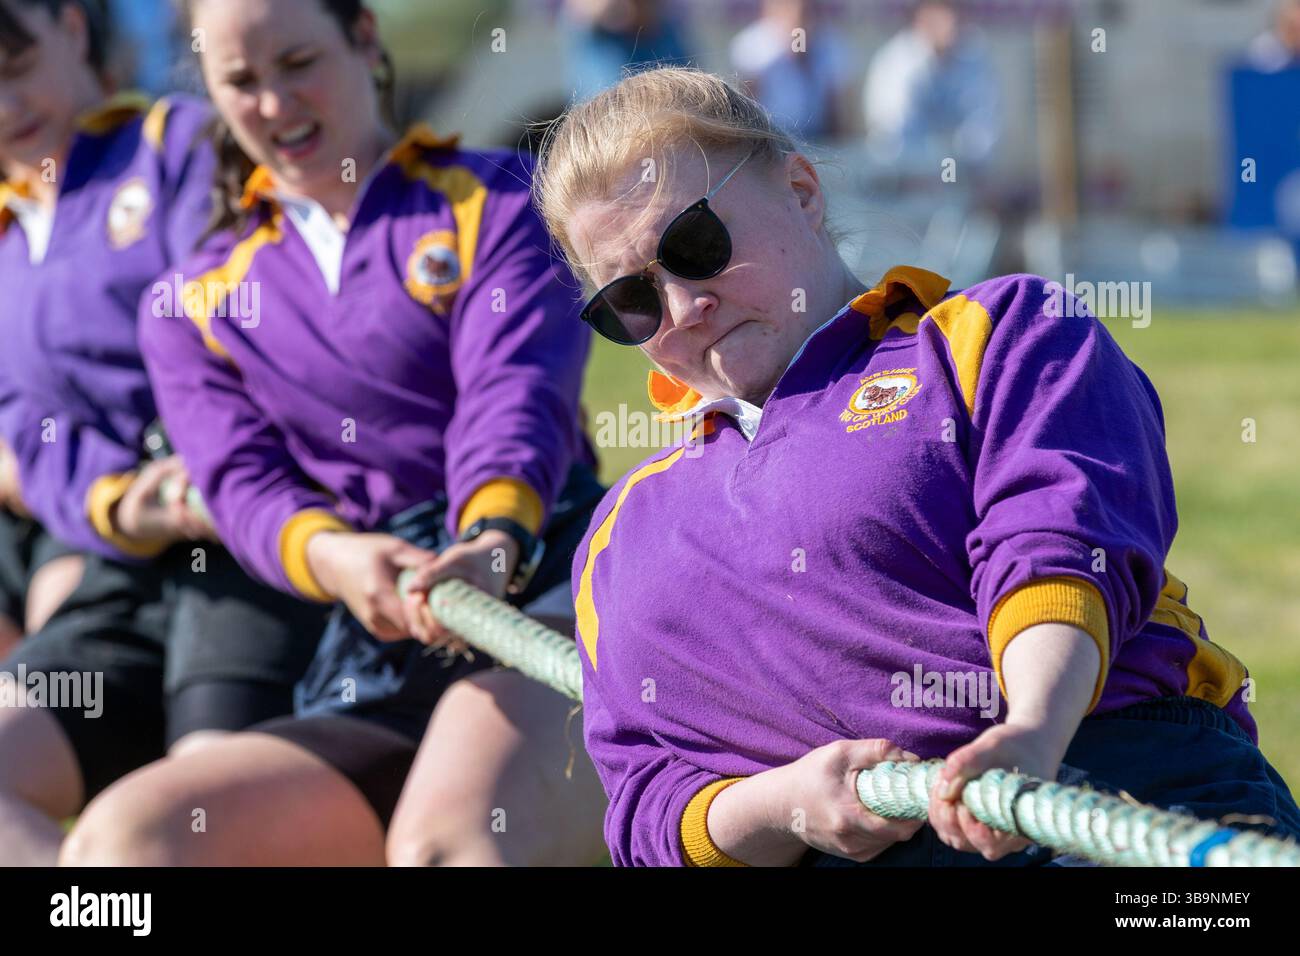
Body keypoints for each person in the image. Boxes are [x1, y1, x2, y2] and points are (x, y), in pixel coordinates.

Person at [532, 65, 1300, 866]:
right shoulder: (616, 538)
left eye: (694, 244)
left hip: (1101, 801)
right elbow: (648, 801)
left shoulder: (992, 335)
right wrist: (785, 806)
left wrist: (1030, 734)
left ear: (802, 190)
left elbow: (1058, 544)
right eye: (632, 299)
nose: (686, 306)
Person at [62, 0, 607, 867]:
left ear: (363, 39)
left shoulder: (498, 197)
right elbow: (242, 486)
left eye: (298, 62)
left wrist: (489, 540)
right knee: (124, 846)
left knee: (446, 846)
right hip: (375, 641)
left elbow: (513, 401)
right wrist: (339, 561)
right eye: (241, 80)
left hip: (541, 598)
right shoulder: (190, 301)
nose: (274, 104)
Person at [0, 0, 328, 866]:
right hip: (123, 563)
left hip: (246, 548)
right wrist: (118, 504)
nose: (4, 108)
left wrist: (203, 467)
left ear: (71, 27)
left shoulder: (175, 144)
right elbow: (27, 440)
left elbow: (241, 329)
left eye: (15, 65)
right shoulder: (4, 233)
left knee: (191, 816)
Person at [862, 0, 1000, 172]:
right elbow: (891, 137)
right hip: (902, 178)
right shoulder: (896, 61)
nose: (951, 20)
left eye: (953, 10)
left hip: (956, 174)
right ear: (920, 16)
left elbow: (982, 126)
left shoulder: (973, 55)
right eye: (941, 10)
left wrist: (961, 166)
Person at [729, 0, 854, 141]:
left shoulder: (830, 45)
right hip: (770, 138)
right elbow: (747, 109)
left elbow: (838, 111)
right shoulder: (753, 45)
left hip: (818, 137)